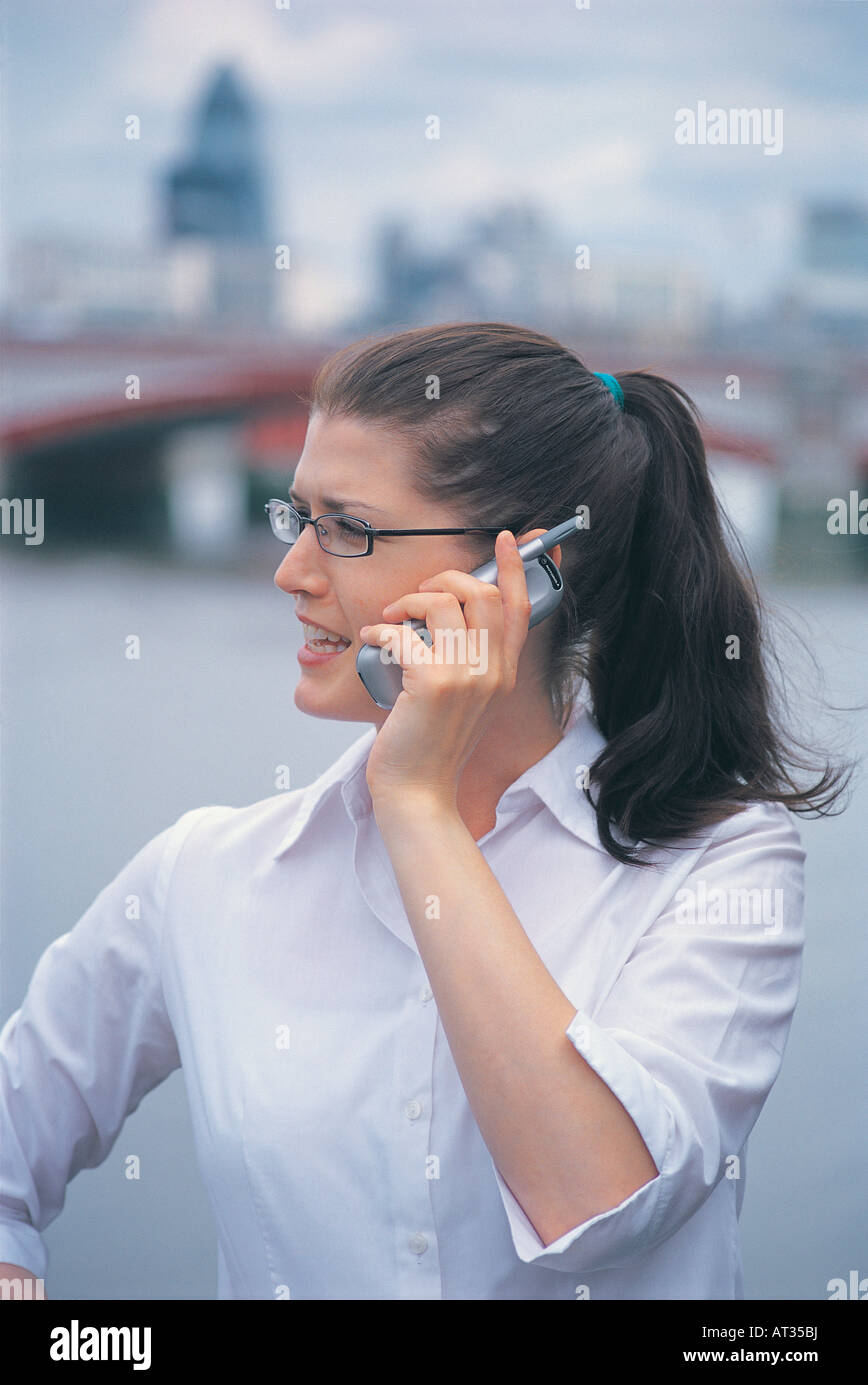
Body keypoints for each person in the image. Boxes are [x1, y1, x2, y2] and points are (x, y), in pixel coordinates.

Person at [0, 321, 849, 1300]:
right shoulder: (206, 876)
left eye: (348, 529)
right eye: (296, 517)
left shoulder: (722, 871)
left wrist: (418, 807)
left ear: (522, 575)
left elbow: (594, 1205)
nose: (292, 573)